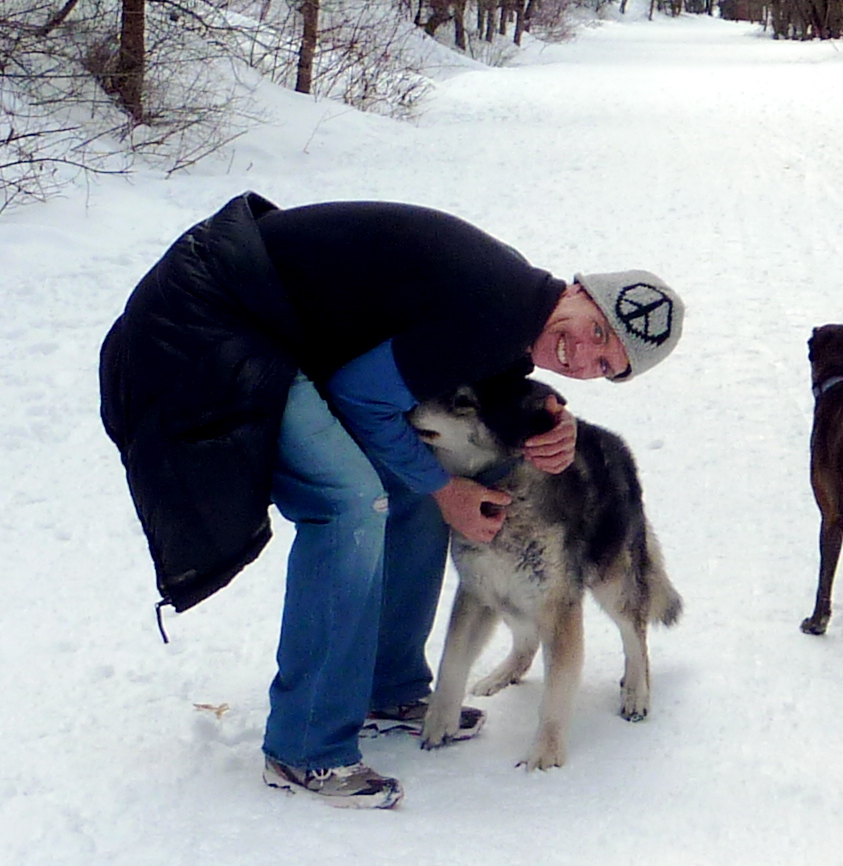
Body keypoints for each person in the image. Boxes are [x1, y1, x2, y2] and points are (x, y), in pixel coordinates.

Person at [99, 192, 684, 809]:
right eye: (597, 329)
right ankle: (305, 749)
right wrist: (445, 489)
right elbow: (360, 393)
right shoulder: (496, 308)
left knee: (412, 483)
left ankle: (387, 686)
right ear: (581, 289)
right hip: (206, 318)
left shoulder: (517, 317)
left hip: (255, 320)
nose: (583, 354)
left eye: (605, 363)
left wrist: (548, 424)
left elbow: (473, 379)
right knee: (350, 502)